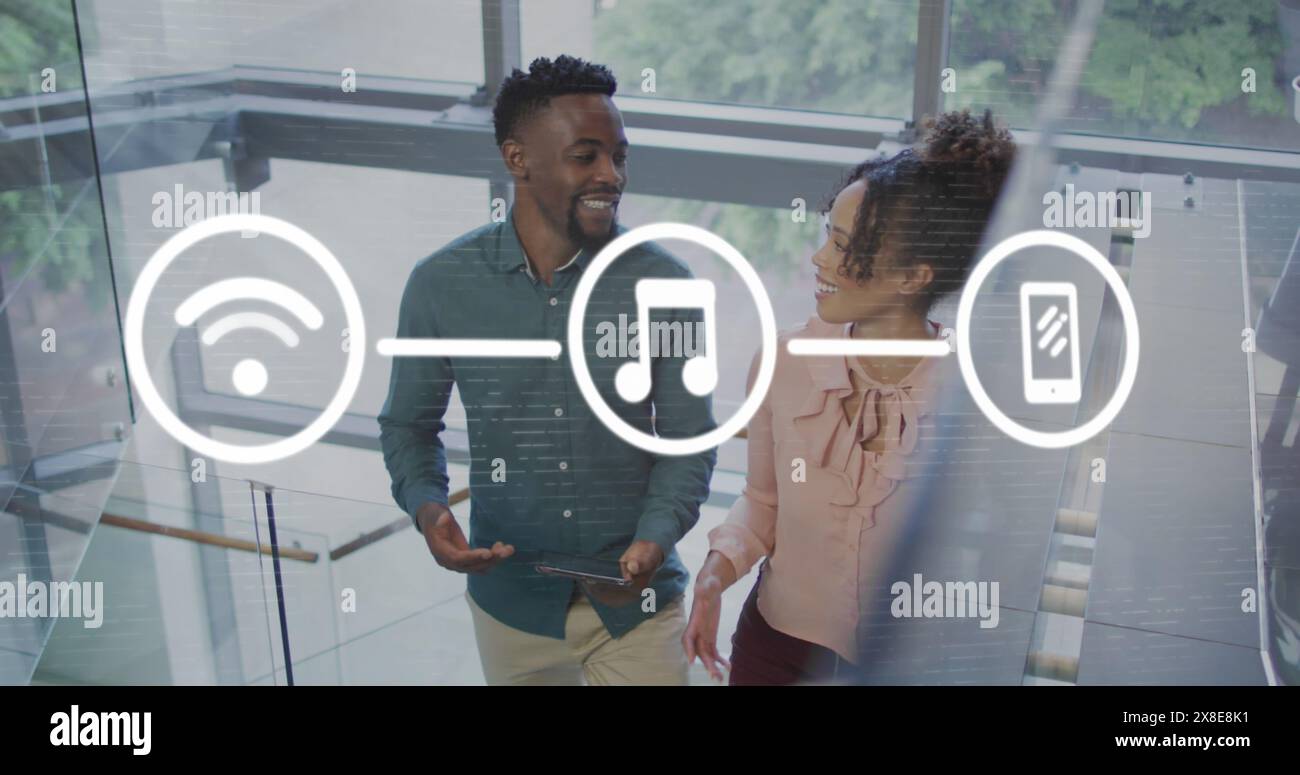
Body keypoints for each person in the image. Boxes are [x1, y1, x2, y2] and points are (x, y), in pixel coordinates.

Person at [379, 56, 716, 686]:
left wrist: (654, 535)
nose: (610, 175)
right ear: (517, 159)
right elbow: (407, 425)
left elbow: (688, 439)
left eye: (619, 155)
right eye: (585, 156)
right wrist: (429, 510)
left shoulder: (667, 284)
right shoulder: (440, 284)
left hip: (637, 609)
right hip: (511, 613)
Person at [683, 109, 1016, 685]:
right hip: (774, 647)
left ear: (914, 276)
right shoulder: (783, 362)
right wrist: (714, 572)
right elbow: (764, 501)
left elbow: (989, 546)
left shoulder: (974, 394)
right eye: (827, 238)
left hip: (906, 663)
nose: (821, 260)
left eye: (846, 246)